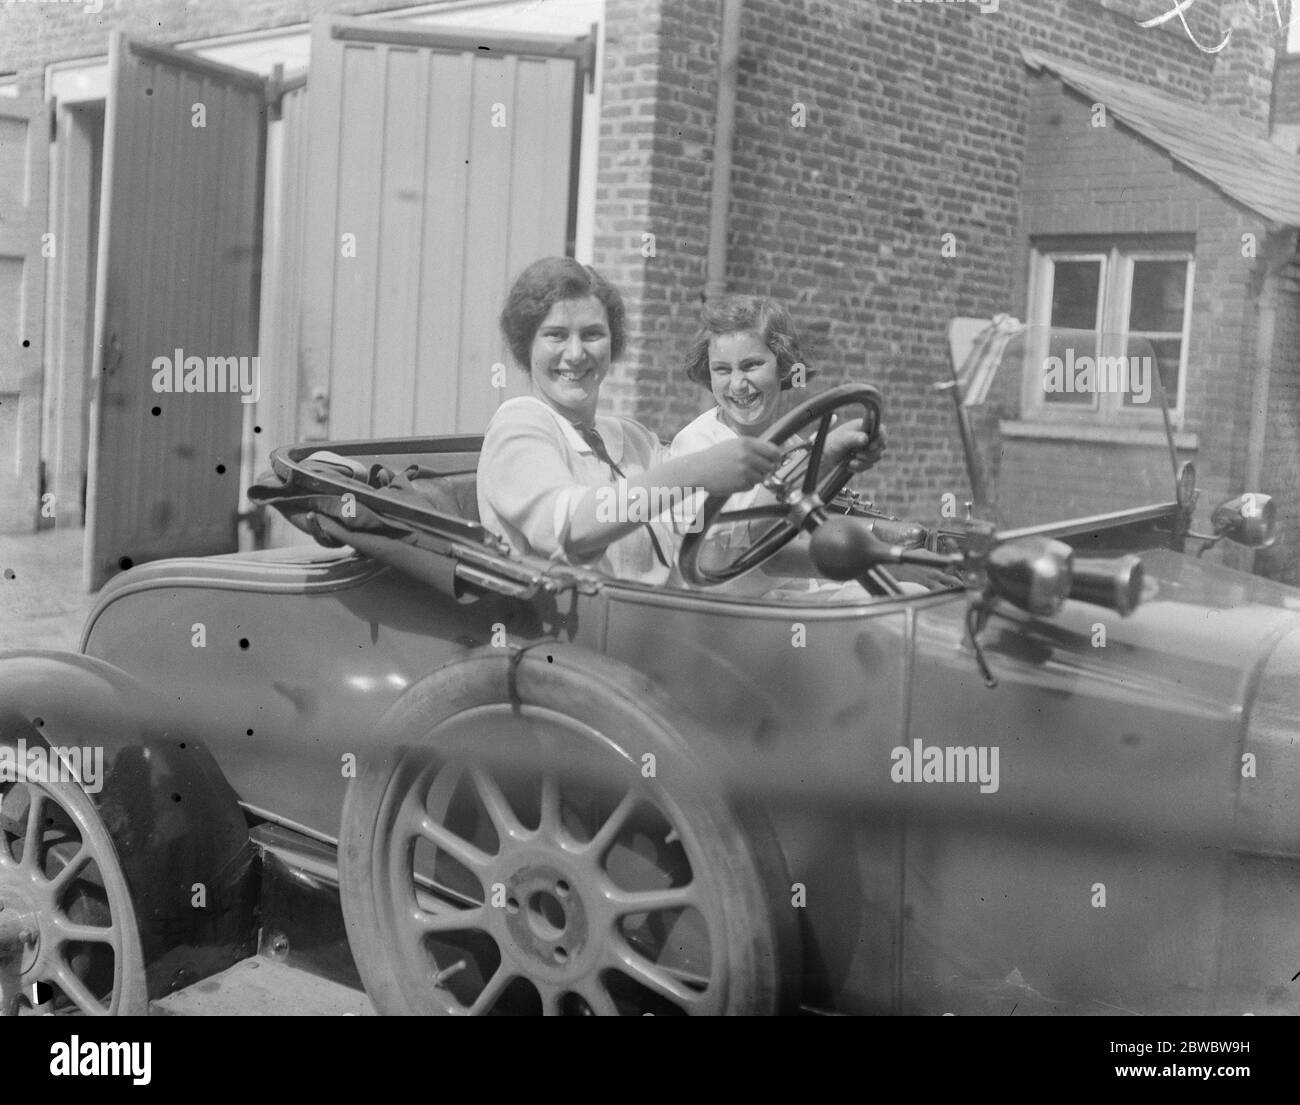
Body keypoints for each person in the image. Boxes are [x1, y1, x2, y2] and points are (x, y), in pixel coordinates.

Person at [478, 259, 795, 585]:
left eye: (592, 334)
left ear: (612, 342)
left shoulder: (633, 440)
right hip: (575, 615)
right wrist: (696, 471)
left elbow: (707, 526)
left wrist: (810, 464)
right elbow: (572, 526)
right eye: (556, 335)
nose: (575, 354)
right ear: (526, 344)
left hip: (665, 610)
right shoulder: (519, 425)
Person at [671, 294, 885, 591]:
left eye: (751, 366)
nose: (737, 384)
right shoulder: (698, 444)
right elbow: (736, 543)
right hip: (731, 607)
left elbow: (813, 528)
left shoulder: (792, 444)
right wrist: (823, 455)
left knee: (911, 596)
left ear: (784, 365)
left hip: (791, 596)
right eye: (722, 369)